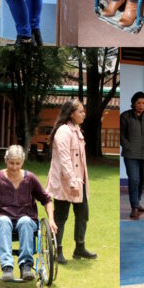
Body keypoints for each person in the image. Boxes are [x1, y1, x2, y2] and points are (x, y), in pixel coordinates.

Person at [0, 144, 57, 281]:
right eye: (11, 163)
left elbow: (47, 199)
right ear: (6, 161)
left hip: (25, 220)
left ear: (22, 162)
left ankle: (26, 266)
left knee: (26, 221)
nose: (14, 167)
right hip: (1, 219)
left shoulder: (30, 179)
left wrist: (51, 219)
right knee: (4, 221)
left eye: (18, 163)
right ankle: (7, 267)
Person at [48, 99, 97, 263]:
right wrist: (72, 182)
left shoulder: (77, 130)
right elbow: (65, 160)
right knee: (61, 217)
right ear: (71, 113)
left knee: (83, 214)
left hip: (79, 181)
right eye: (80, 111)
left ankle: (80, 247)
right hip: (65, 181)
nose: (84, 114)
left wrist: (79, 182)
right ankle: (57, 250)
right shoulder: (63, 131)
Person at [121, 91, 144, 219]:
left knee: (143, 181)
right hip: (131, 155)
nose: (141, 105)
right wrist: (127, 146)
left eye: (143, 103)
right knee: (134, 180)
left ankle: (136, 202)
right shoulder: (125, 116)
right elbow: (121, 134)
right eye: (138, 103)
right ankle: (134, 207)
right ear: (133, 103)